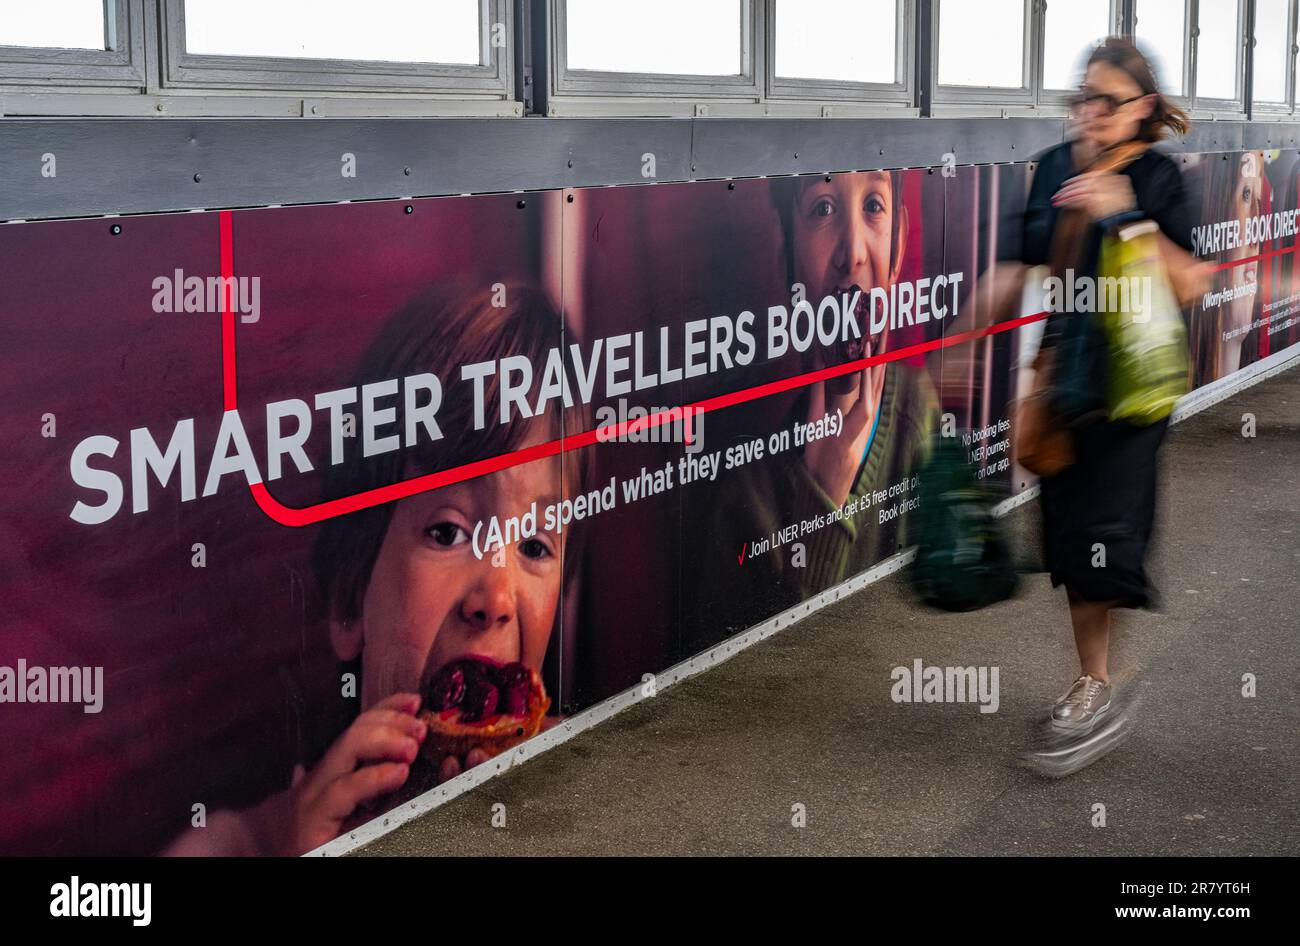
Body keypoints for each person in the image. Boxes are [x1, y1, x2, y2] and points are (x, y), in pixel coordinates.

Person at [165, 282, 586, 854]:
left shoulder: (584, 791)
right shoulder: (244, 845)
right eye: (447, 532)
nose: (496, 596)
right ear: (348, 595)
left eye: (534, 545)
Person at [684, 170, 938, 650]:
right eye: (822, 209)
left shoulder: (916, 408)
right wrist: (825, 496)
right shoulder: (743, 486)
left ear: (899, 244)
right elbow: (756, 688)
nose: (854, 253)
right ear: (787, 257)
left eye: (873, 207)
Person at [1021, 37, 1194, 733]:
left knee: (1106, 536)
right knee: (1069, 542)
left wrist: (1122, 216)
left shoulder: (1157, 180)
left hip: (1135, 389)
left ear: (1143, 107)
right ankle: (1091, 674)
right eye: (1081, 97)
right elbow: (1018, 263)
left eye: (1106, 99)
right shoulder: (1052, 169)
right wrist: (961, 343)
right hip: (1067, 383)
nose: (1089, 111)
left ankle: (1096, 682)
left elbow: (1190, 282)